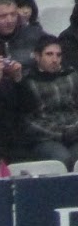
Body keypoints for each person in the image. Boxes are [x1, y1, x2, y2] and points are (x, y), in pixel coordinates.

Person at [19, 35, 78, 167]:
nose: (55, 59)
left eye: (58, 55)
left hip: (74, 133)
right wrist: (61, 134)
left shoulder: (71, 75)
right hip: (44, 138)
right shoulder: (27, 82)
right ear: (37, 56)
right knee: (63, 159)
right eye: (49, 54)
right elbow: (28, 121)